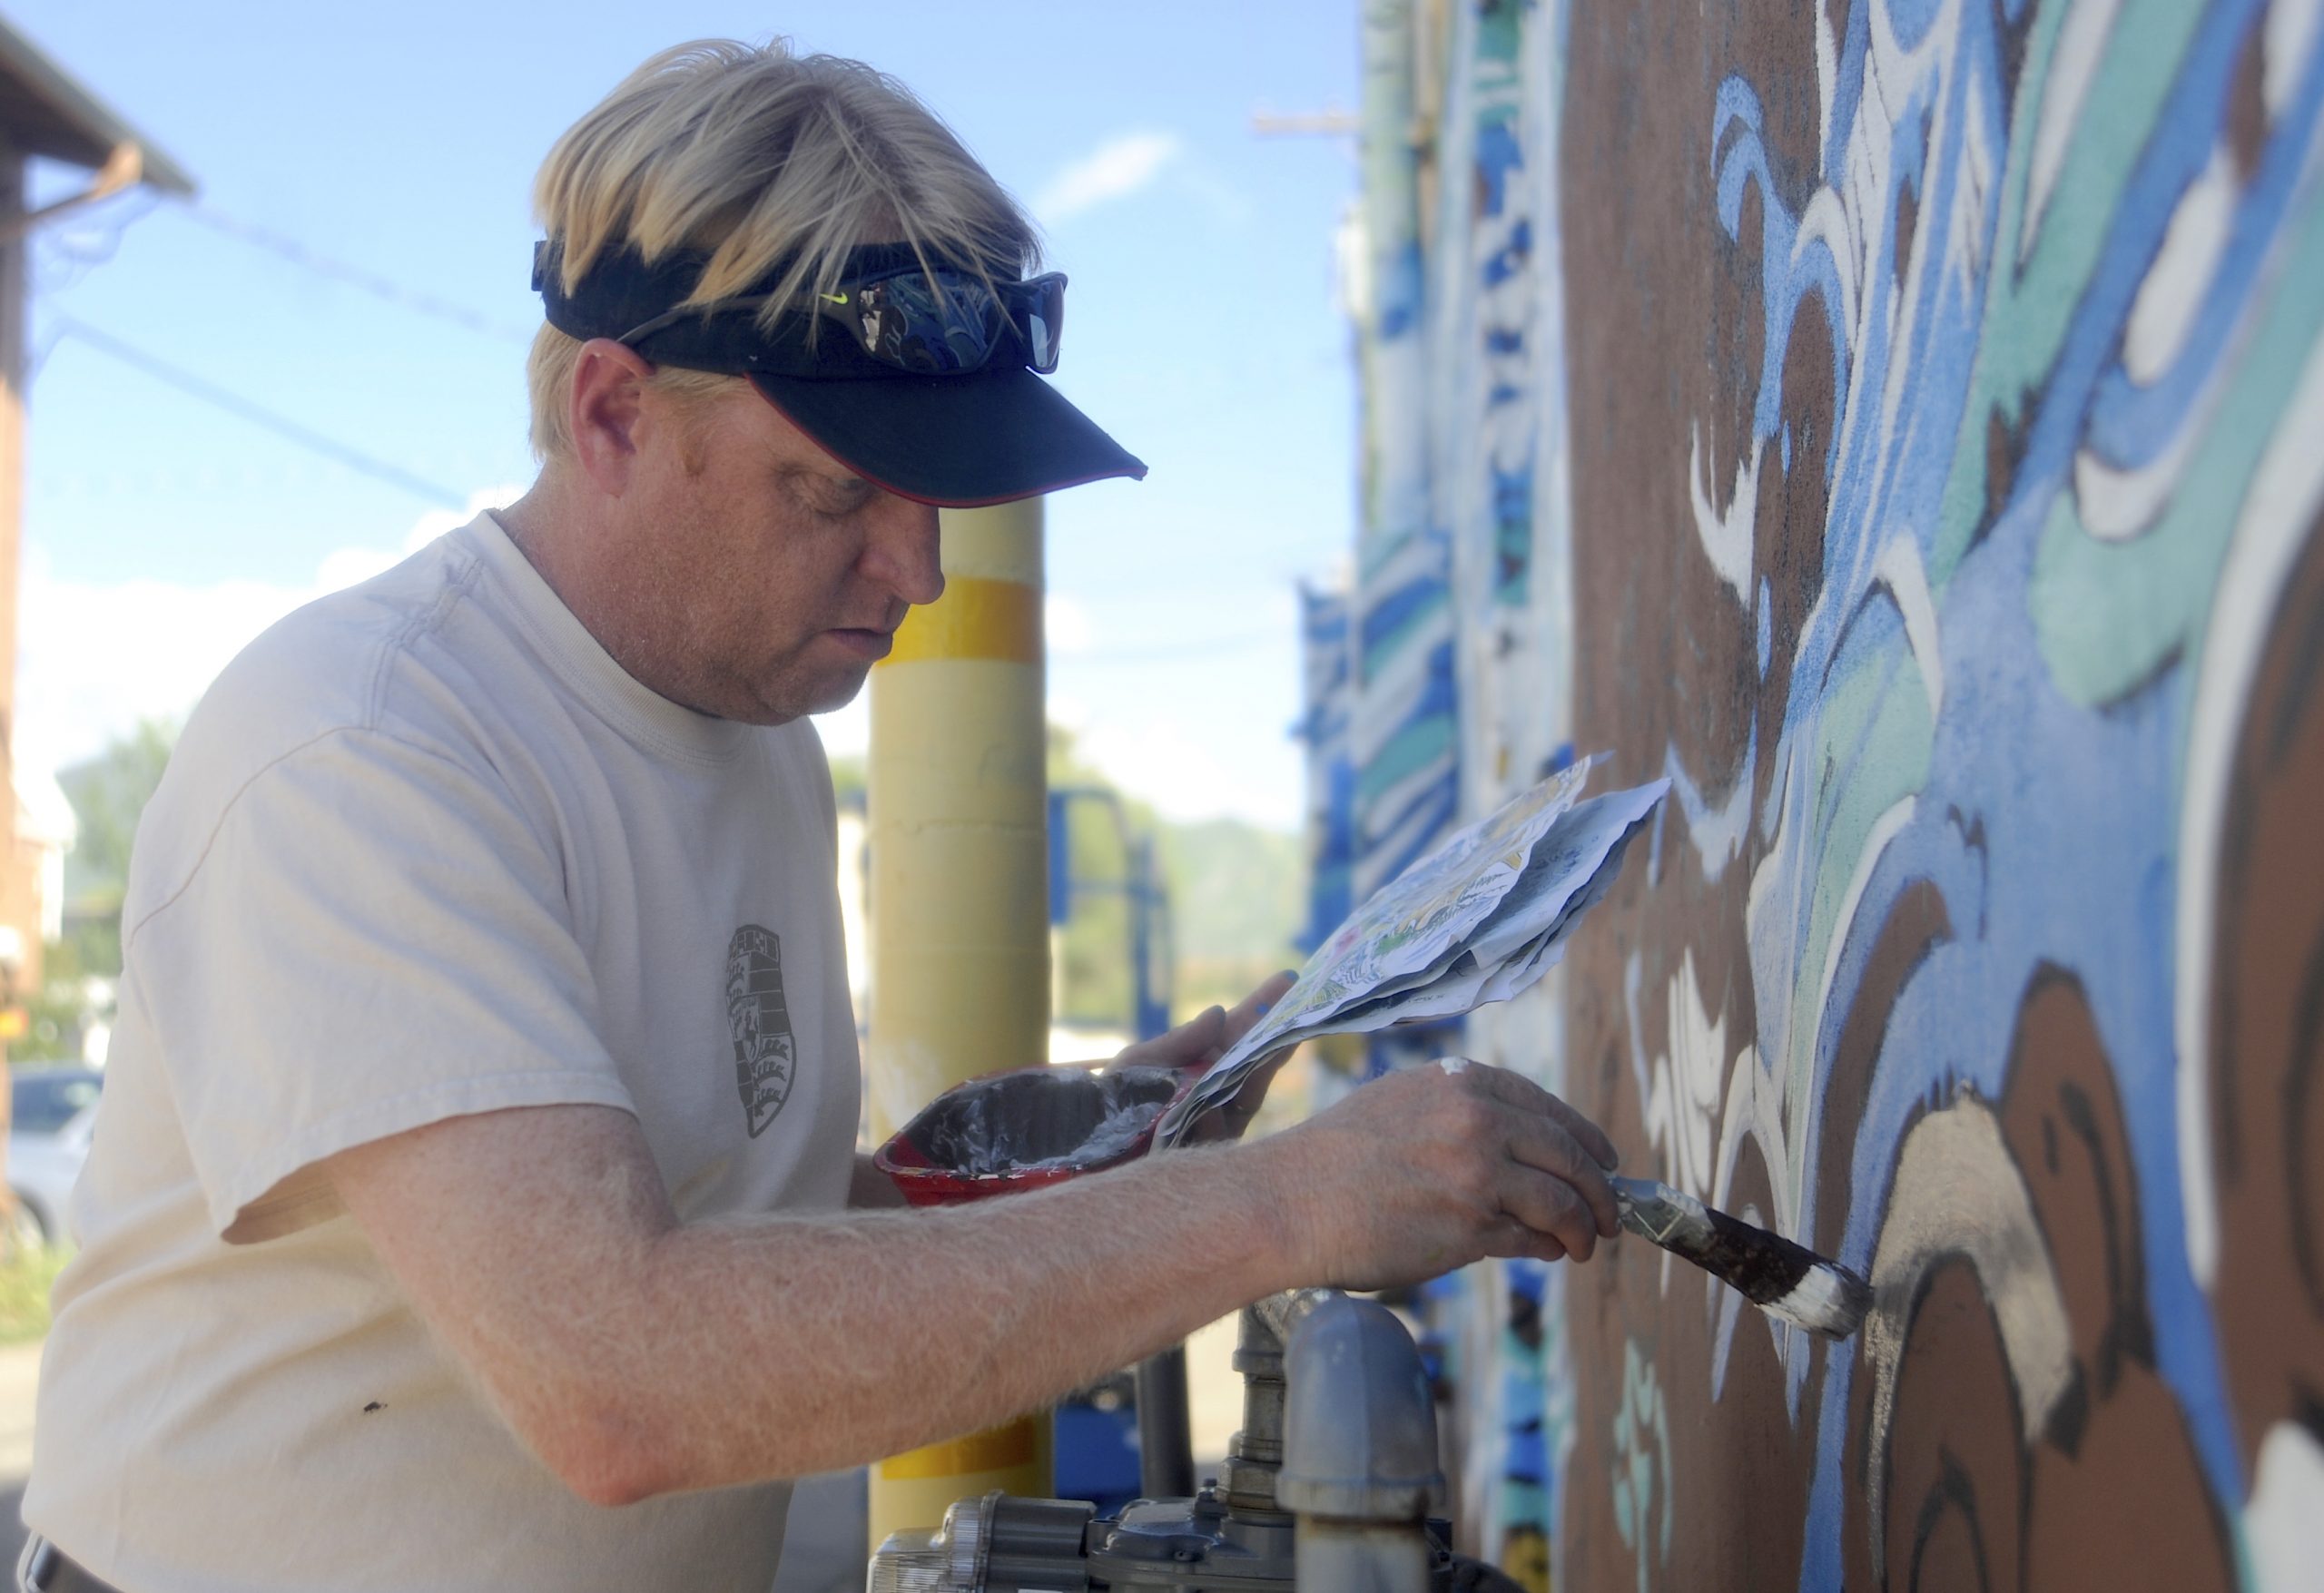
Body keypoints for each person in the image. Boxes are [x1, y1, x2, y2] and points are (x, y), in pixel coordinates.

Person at [17, 39, 1621, 1593]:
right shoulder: (367, 750)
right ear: (615, 415)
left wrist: (1088, 1138)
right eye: (838, 493)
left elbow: (756, 1220)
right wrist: (1279, 1208)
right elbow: (621, 1372)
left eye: (935, 504)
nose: (915, 574)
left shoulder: (750, 718)